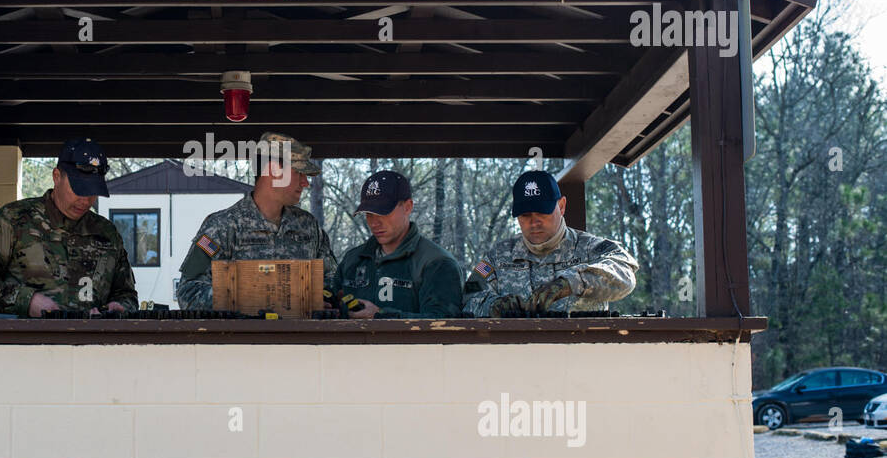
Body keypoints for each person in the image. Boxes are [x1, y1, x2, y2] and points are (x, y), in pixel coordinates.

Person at [0, 138, 137, 317]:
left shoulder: (107, 234)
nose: (85, 200)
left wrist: (120, 307)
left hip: (90, 343)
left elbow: (127, 295)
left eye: (93, 192)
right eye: (79, 189)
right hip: (24, 342)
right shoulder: (12, 220)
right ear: (57, 177)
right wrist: (26, 301)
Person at [176, 131, 337, 310]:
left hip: (298, 338)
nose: (306, 182)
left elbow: (333, 283)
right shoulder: (222, 227)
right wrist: (261, 296)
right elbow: (188, 293)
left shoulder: (308, 226)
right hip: (243, 338)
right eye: (299, 173)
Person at [462, 170, 638, 316]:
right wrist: (495, 306)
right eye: (525, 215)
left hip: (581, 351)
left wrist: (572, 282)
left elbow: (625, 275)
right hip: (516, 352)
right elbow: (468, 298)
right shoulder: (499, 257)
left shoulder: (590, 249)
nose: (534, 222)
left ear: (561, 206)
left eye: (542, 213)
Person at [331, 169, 463, 319]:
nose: (374, 222)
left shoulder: (437, 263)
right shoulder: (353, 259)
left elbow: (444, 326)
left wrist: (381, 316)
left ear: (408, 207)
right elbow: (331, 306)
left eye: (383, 212)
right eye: (369, 213)